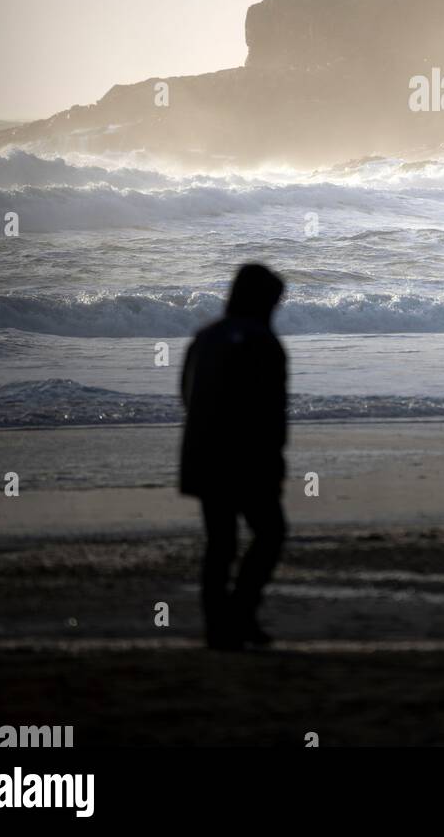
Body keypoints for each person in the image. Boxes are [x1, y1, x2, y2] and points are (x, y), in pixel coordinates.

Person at [179, 263, 287, 650]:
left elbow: (187, 395)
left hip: (204, 455)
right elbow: (271, 411)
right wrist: (275, 461)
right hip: (248, 458)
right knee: (270, 534)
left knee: (220, 543)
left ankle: (217, 627)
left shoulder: (205, 337)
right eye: (274, 301)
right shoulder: (264, 341)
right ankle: (242, 612)